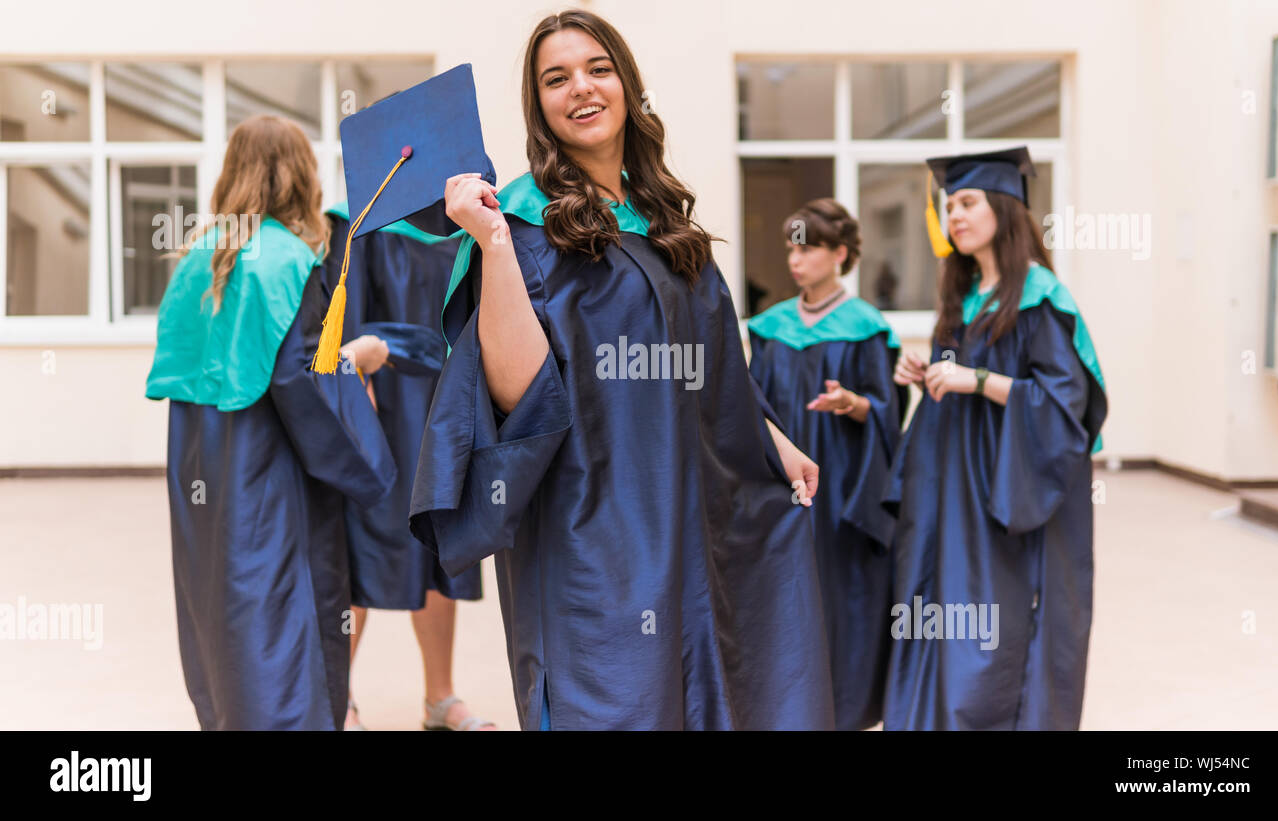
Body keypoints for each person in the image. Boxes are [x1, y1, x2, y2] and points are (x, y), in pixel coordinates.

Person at [408, 8, 835, 730]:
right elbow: (516, 395)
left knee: (714, 683)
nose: (581, 87)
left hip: (692, 510)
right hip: (592, 523)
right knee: (616, 698)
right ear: (537, 106)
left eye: (598, 69)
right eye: (556, 78)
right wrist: (492, 245)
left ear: (628, 86)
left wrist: (769, 434)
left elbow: (703, 364)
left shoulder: (662, 214)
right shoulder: (519, 222)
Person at [144, 115, 395, 730]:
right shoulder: (287, 258)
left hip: (204, 475)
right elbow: (298, 384)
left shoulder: (197, 259)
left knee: (226, 622)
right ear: (300, 175)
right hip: (270, 480)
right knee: (286, 629)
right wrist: (357, 373)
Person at [883, 147, 1108, 730]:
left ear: (1004, 209)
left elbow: (1064, 404)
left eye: (967, 202)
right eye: (949, 205)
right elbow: (952, 379)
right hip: (954, 486)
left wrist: (975, 380)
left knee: (997, 621)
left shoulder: (1040, 297)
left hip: (1010, 486)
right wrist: (925, 374)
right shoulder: (962, 297)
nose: (954, 215)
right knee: (944, 607)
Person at [320, 204, 495, 731]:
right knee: (357, 548)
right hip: (380, 412)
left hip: (446, 408)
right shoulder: (354, 229)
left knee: (440, 542)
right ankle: (338, 698)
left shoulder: (465, 227)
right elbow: (343, 335)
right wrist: (356, 400)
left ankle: (439, 698)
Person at [747, 198, 908, 730]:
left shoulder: (866, 327)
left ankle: (844, 710)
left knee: (842, 594)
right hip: (781, 483)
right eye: (792, 246)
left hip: (844, 484)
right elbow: (751, 409)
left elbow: (888, 411)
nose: (797, 259)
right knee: (785, 589)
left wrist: (854, 404)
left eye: (809, 247)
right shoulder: (769, 329)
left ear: (839, 253)